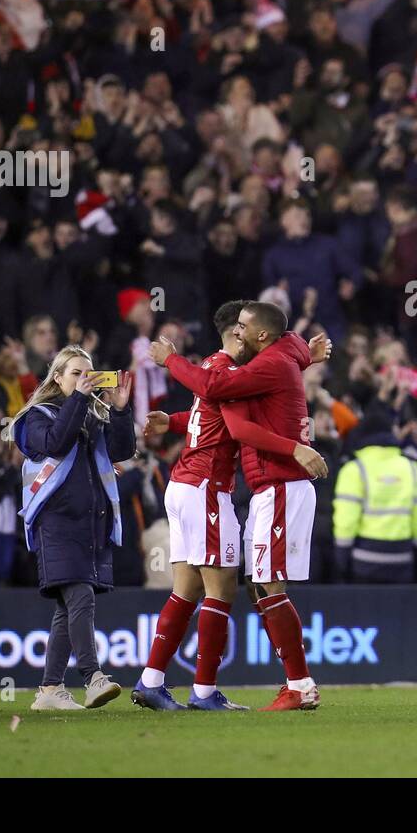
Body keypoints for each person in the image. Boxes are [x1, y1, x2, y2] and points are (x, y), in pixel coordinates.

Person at [133, 300, 328, 711]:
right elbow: (234, 418)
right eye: (237, 327)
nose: (241, 333)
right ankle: (205, 692)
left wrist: (176, 418)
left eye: (246, 326)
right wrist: (171, 361)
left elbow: (219, 401)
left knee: (188, 590)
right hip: (207, 487)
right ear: (233, 335)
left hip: (184, 485)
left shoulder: (213, 366)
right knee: (222, 592)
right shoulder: (226, 372)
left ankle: (151, 681)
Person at [7, 346, 135, 711]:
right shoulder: (35, 417)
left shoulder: (92, 415)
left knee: (68, 608)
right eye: (76, 373)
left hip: (90, 524)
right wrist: (80, 401)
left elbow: (120, 451)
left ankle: (49, 690)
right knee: (81, 598)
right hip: (56, 523)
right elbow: (55, 443)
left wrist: (121, 410)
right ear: (57, 378)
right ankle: (93, 677)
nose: (85, 379)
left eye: (88, 373)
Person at [332, 412, 417, 582]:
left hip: (364, 560)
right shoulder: (412, 468)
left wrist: (341, 561)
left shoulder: (354, 469)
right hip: (402, 559)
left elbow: (346, 522)